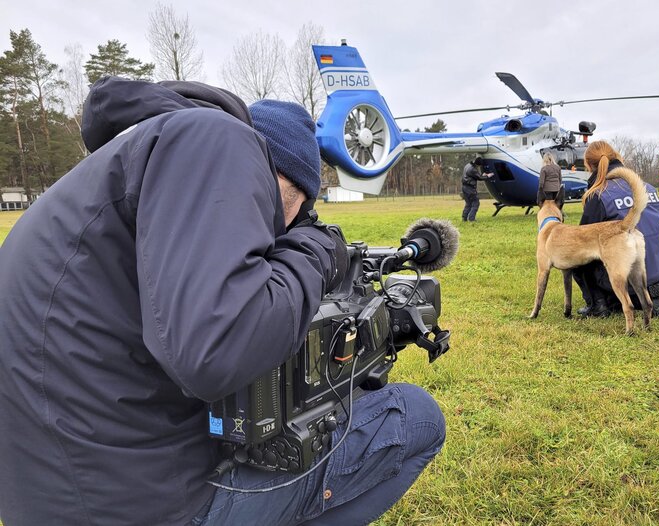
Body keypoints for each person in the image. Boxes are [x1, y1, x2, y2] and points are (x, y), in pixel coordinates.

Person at [0, 77, 445, 525]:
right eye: (297, 216)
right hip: (143, 507)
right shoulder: (218, 140)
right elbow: (219, 349)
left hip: (48, 496)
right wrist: (312, 247)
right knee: (416, 417)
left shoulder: (123, 167)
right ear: (289, 186)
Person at [573, 141, 659, 318]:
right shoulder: (650, 189)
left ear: (589, 165)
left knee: (577, 256)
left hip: (625, 279)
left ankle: (598, 304)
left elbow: (582, 240)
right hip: (653, 279)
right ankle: (654, 301)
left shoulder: (599, 194)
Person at [461, 156, 495, 221]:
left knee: (468, 203)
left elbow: (476, 176)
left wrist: (482, 175)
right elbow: (479, 178)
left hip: (464, 187)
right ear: (478, 165)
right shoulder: (473, 169)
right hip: (470, 188)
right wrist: (488, 176)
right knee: (476, 202)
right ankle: (471, 219)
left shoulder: (468, 165)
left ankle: (464, 218)